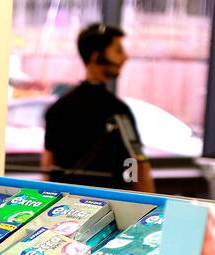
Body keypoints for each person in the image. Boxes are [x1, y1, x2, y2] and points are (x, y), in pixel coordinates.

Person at [41, 23, 154, 193]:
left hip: (64, 206)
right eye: (118, 51)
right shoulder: (118, 111)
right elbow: (138, 166)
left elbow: (48, 166)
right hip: (111, 207)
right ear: (96, 56)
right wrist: (153, 210)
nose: (125, 58)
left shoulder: (58, 108)